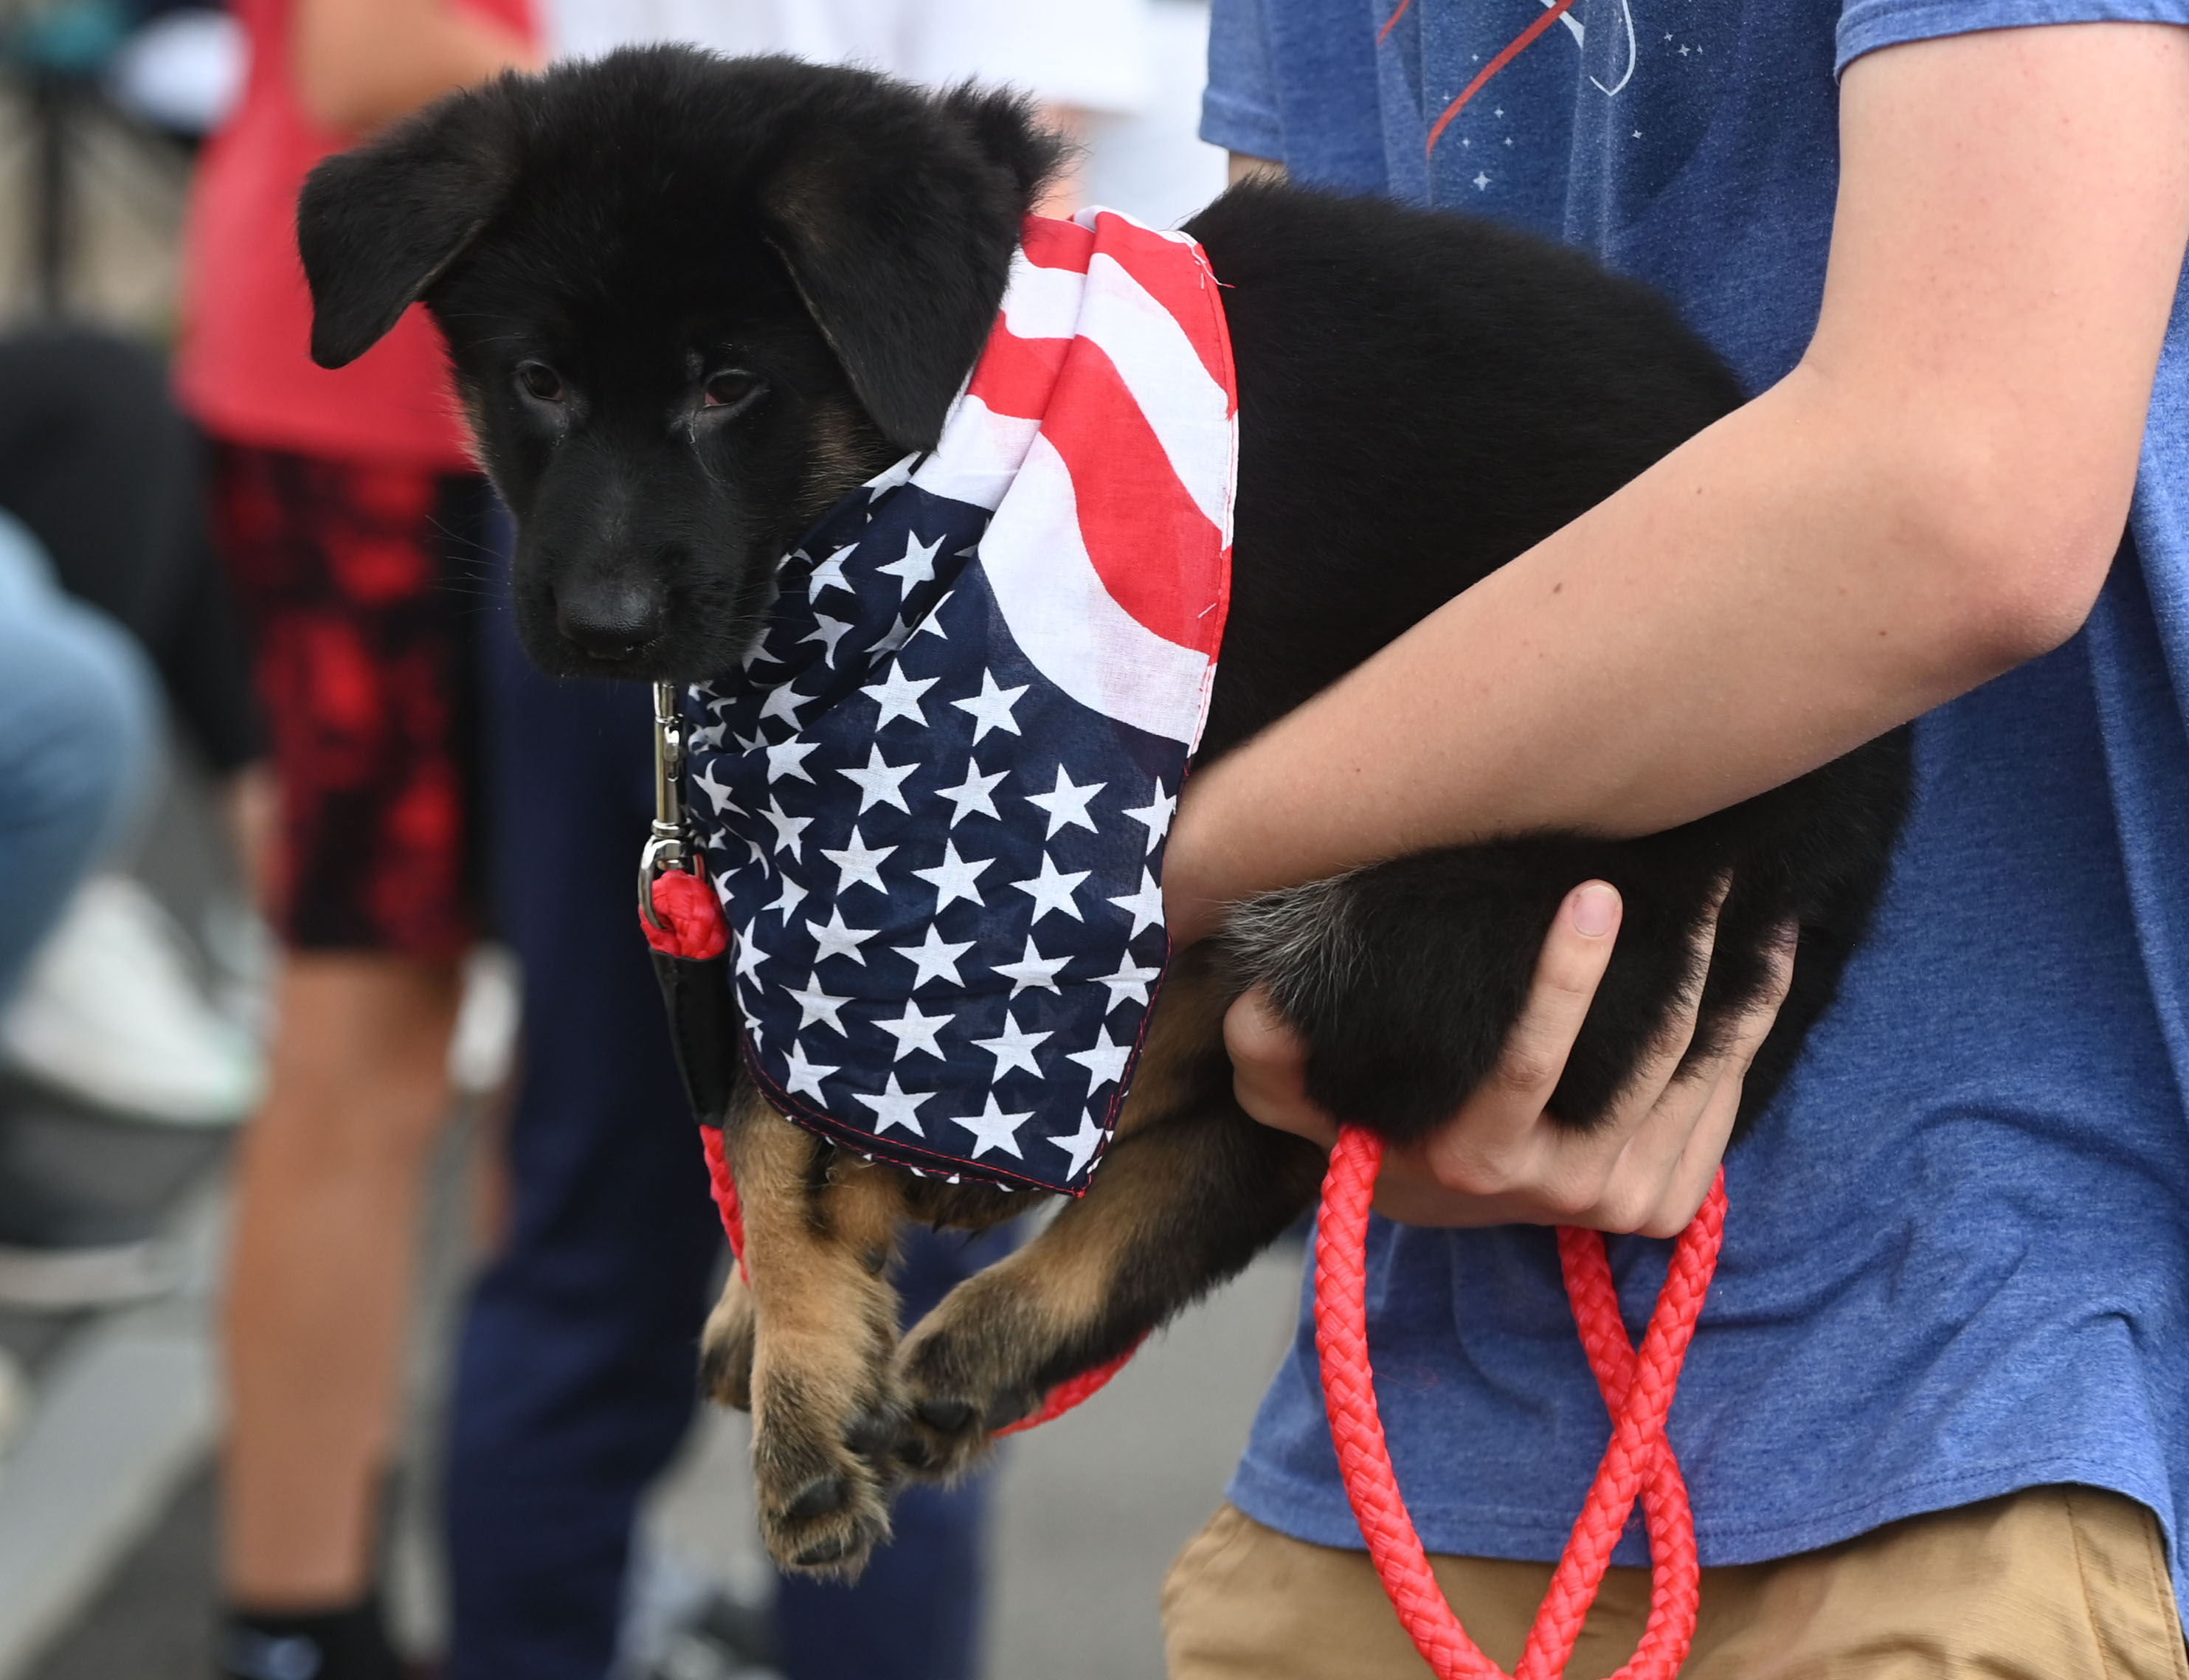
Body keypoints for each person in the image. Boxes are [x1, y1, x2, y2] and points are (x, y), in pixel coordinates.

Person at [1157, 4, 2189, 1676]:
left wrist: (1163, 879)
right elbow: (1271, 453)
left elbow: (1961, 491)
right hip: (1413, 1428)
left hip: (1984, 1387)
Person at [171, 1, 538, 1674]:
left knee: (587, 1044)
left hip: (528, 397)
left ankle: (528, 1562)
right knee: (367, 1036)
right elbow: (370, 46)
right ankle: (299, 1611)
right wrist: (734, 124)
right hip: (379, 415)